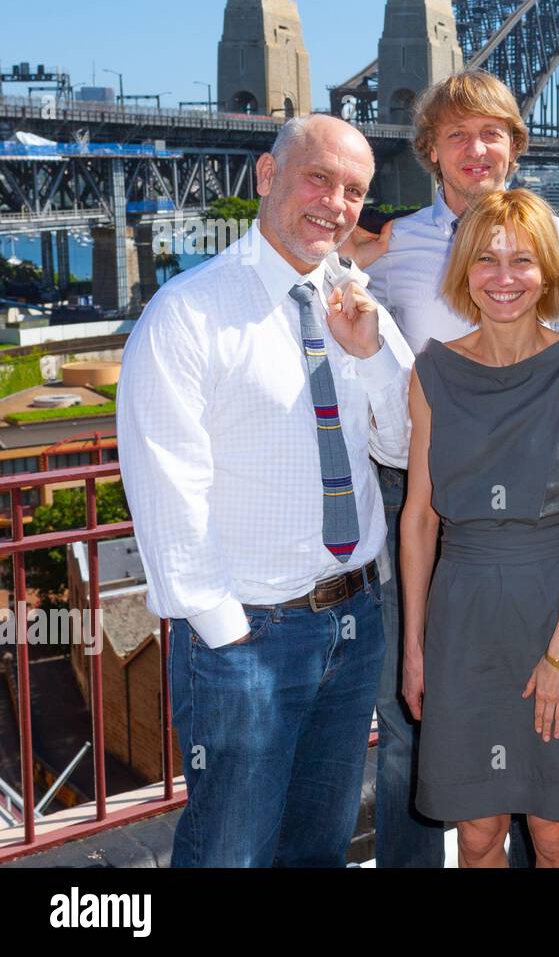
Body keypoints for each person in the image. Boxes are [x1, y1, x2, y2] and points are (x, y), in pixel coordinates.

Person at [117, 114, 414, 867]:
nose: (336, 204)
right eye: (319, 178)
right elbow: (165, 483)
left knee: (319, 846)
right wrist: (224, 630)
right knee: (230, 852)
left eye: (355, 191)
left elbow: (406, 444)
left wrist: (374, 352)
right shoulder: (189, 312)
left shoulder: (356, 305)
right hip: (250, 635)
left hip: (354, 622)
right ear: (267, 176)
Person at [338, 69, 559, 867]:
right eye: (457, 135)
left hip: (530, 519)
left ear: (514, 145)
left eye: (492, 133)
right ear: (431, 153)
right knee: (414, 713)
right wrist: (341, 255)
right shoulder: (391, 243)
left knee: (528, 713)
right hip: (420, 497)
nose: (476, 150)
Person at [400, 187, 559, 868]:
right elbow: (418, 519)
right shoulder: (431, 370)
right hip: (461, 622)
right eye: (487, 259)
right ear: (464, 270)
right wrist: (413, 647)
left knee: (556, 837)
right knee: (476, 834)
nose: (504, 278)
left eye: (522, 260)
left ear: (548, 273)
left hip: (555, 612)